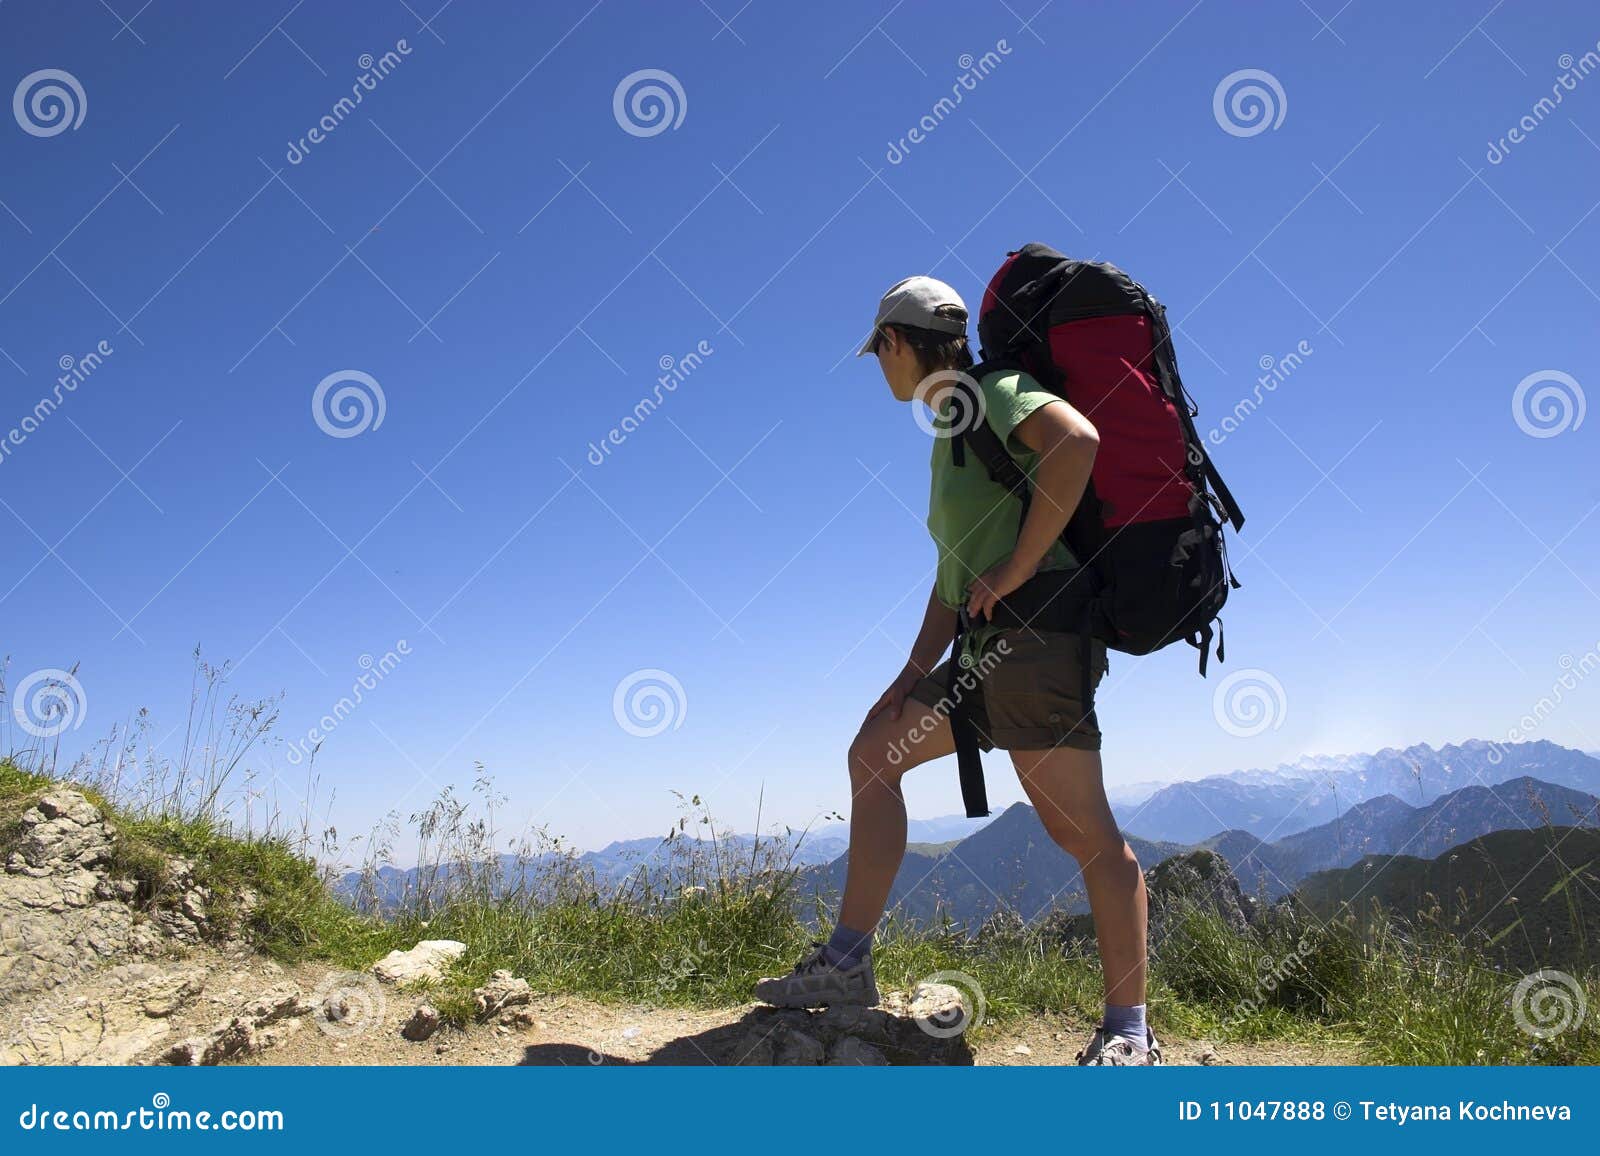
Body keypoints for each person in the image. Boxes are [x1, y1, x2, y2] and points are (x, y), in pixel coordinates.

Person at [753, 275, 1160, 1065]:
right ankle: (845, 965)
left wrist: (1016, 568)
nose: (880, 367)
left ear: (899, 345)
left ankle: (1129, 1032)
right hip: (978, 656)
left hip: (1037, 642)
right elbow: (952, 582)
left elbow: (1077, 444)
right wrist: (906, 677)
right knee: (874, 756)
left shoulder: (996, 389)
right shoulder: (953, 432)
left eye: (880, 352)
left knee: (1085, 837)